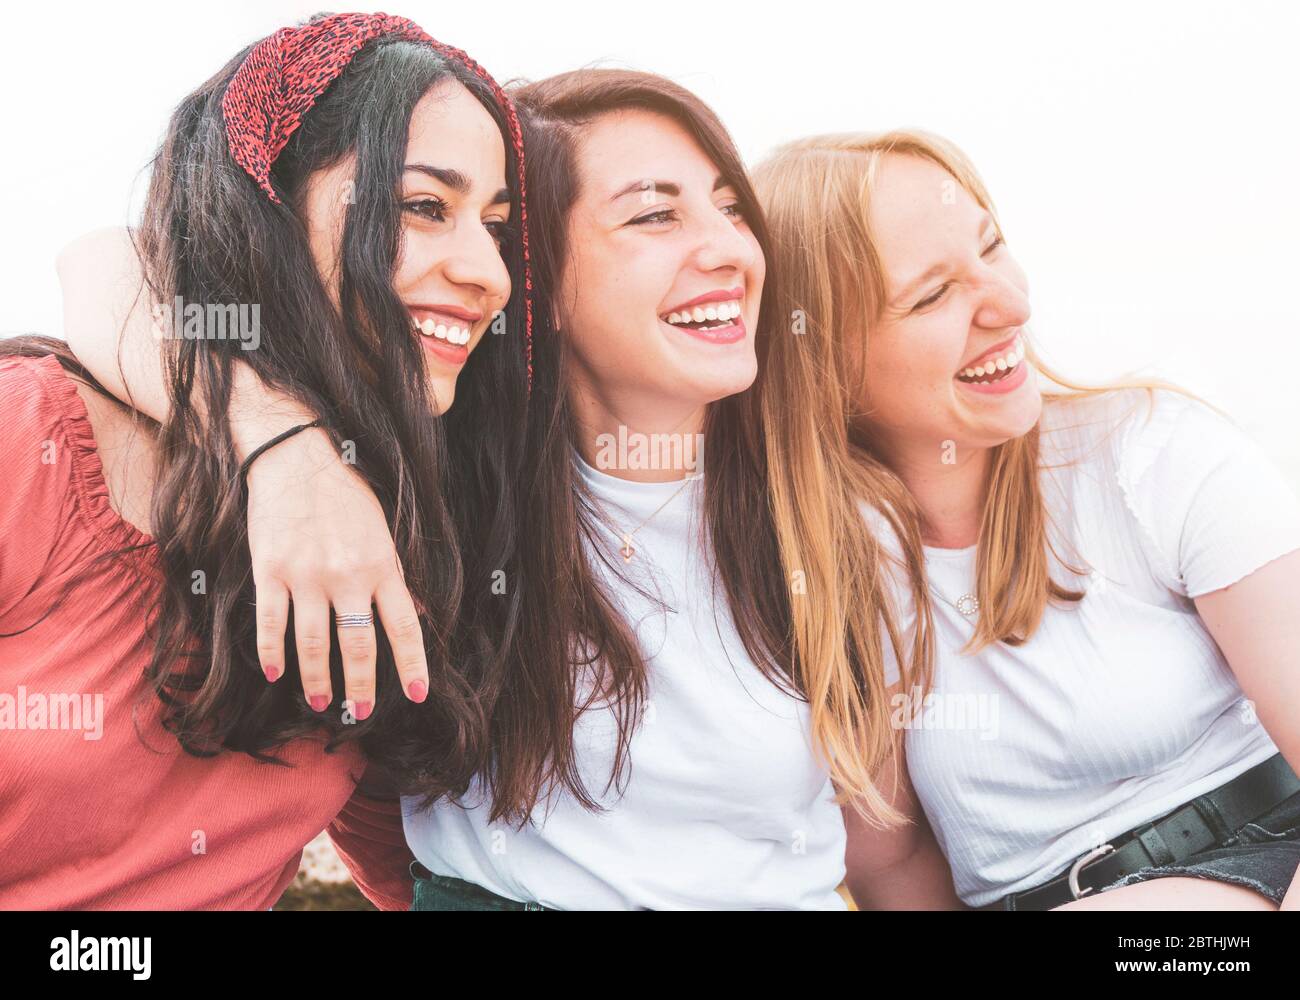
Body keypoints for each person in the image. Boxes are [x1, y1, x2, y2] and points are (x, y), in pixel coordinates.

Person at [0, 11, 535, 908]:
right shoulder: (33, 441)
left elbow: (407, 861)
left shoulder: (410, 523)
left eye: (495, 224)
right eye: (423, 206)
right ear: (269, 209)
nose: (490, 273)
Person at [752, 129, 1300, 910]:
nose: (1011, 305)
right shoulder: (818, 578)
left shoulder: (1149, 451)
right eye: (934, 294)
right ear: (821, 363)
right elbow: (892, 864)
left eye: (992, 247)